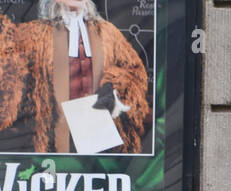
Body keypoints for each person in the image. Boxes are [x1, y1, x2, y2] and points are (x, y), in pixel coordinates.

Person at [0, 0, 151, 154]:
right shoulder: (33, 34)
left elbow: (134, 71)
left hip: (99, 131)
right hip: (55, 133)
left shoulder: (108, 33)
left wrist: (114, 86)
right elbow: (11, 72)